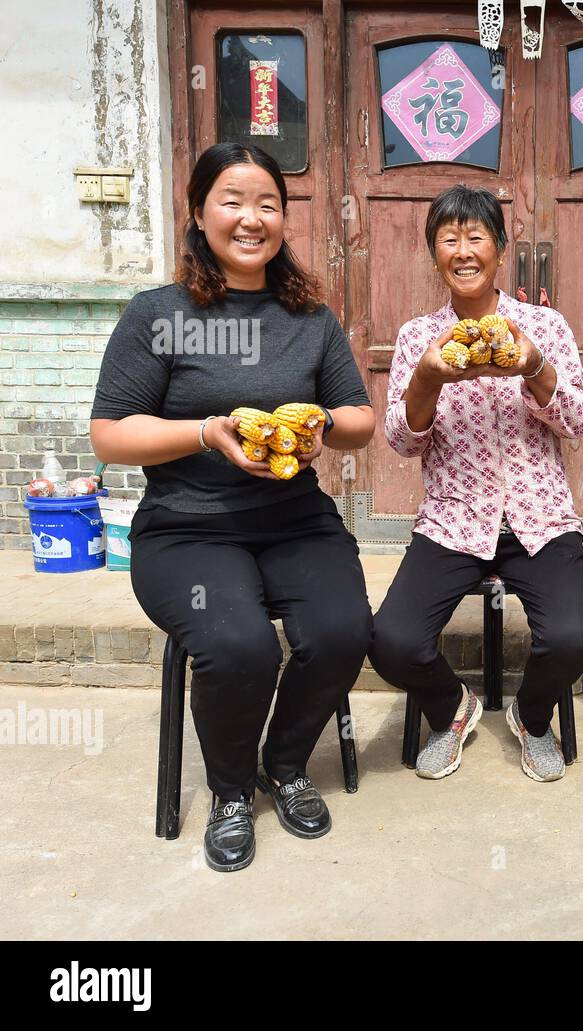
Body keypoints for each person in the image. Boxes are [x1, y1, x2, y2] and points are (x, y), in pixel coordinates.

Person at [90, 143, 375, 873]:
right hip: (188, 528)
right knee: (239, 643)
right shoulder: (160, 314)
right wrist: (205, 433)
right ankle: (228, 791)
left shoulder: (309, 316)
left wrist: (320, 425)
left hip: (294, 521)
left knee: (344, 630)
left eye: (268, 204)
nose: (252, 218)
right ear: (197, 211)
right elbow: (111, 434)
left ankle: (283, 765)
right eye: (232, 200)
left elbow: (360, 419)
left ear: (284, 216)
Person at [369, 185, 583, 783]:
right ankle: (452, 709)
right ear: (434, 252)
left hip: (539, 516)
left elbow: (578, 421)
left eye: (476, 237)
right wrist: (426, 379)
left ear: (499, 249)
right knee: (392, 642)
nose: (463, 251)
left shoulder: (542, 326)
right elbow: (402, 438)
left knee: (572, 639)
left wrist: (535, 368)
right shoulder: (420, 337)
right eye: (449, 239)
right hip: (454, 518)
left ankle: (532, 716)